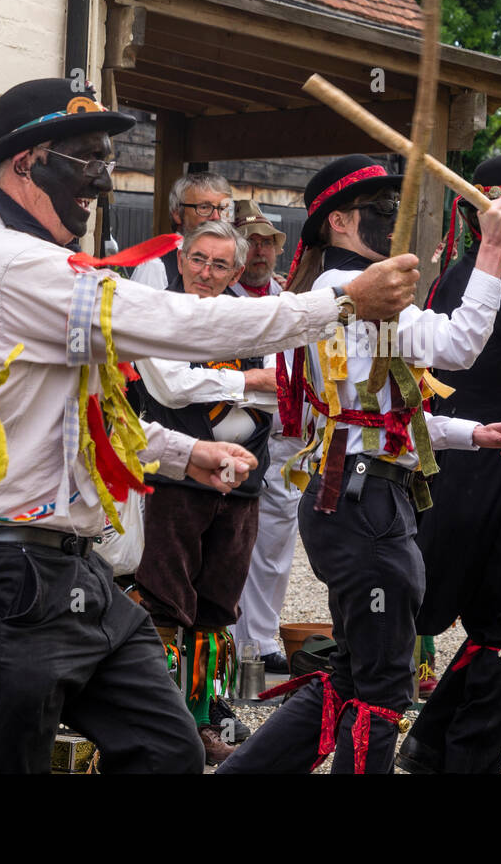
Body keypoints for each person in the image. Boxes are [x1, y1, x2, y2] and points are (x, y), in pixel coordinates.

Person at [0, 78, 420, 774]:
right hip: (9, 574)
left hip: (66, 572)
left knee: (166, 748)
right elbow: (176, 322)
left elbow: (78, 418)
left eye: (104, 157)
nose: (102, 177)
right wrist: (336, 299)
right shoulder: (11, 264)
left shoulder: (24, 259)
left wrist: (184, 452)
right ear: (27, 161)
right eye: (86, 158)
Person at [218, 154, 501, 775]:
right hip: (366, 510)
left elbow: (378, 418)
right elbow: (459, 345)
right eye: (381, 211)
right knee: (384, 689)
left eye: (395, 209)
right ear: (338, 223)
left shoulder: (331, 298)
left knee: (357, 675)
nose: (393, 222)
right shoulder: (353, 298)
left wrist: (470, 433)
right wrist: (491, 251)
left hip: (357, 503)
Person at [395, 155, 501, 775]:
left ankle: (435, 741)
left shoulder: (500, 280)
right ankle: (457, 757)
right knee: (499, 631)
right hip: (475, 470)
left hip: (493, 466)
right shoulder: (490, 286)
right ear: (478, 217)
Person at [130, 220, 274, 765]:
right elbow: (170, 384)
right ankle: (159, 720)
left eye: (220, 265)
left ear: (237, 271)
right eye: (198, 260)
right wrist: (250, 384)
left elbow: (284, 390)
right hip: (175, 479)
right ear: (182, 259)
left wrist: (251, 387)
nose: (206, 273)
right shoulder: (156, 311)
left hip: (243, 481)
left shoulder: (250, 316)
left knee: (218, 604)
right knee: (165, 598)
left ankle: (204, 716)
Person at [228, 200, 300, 675]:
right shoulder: (221, 299)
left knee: (275, 542)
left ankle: (262, 636)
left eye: (266, 242)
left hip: (285, 435)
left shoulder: (290, 299)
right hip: (234, 430)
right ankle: (227, 639)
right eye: (250, 241)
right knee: (231, 538)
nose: (259, 251)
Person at [132, 172, 234, 291]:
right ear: (177, 213)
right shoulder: (155, 266)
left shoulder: (232, 262)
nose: (216, 217)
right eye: (204, 207)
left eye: (223, 209)